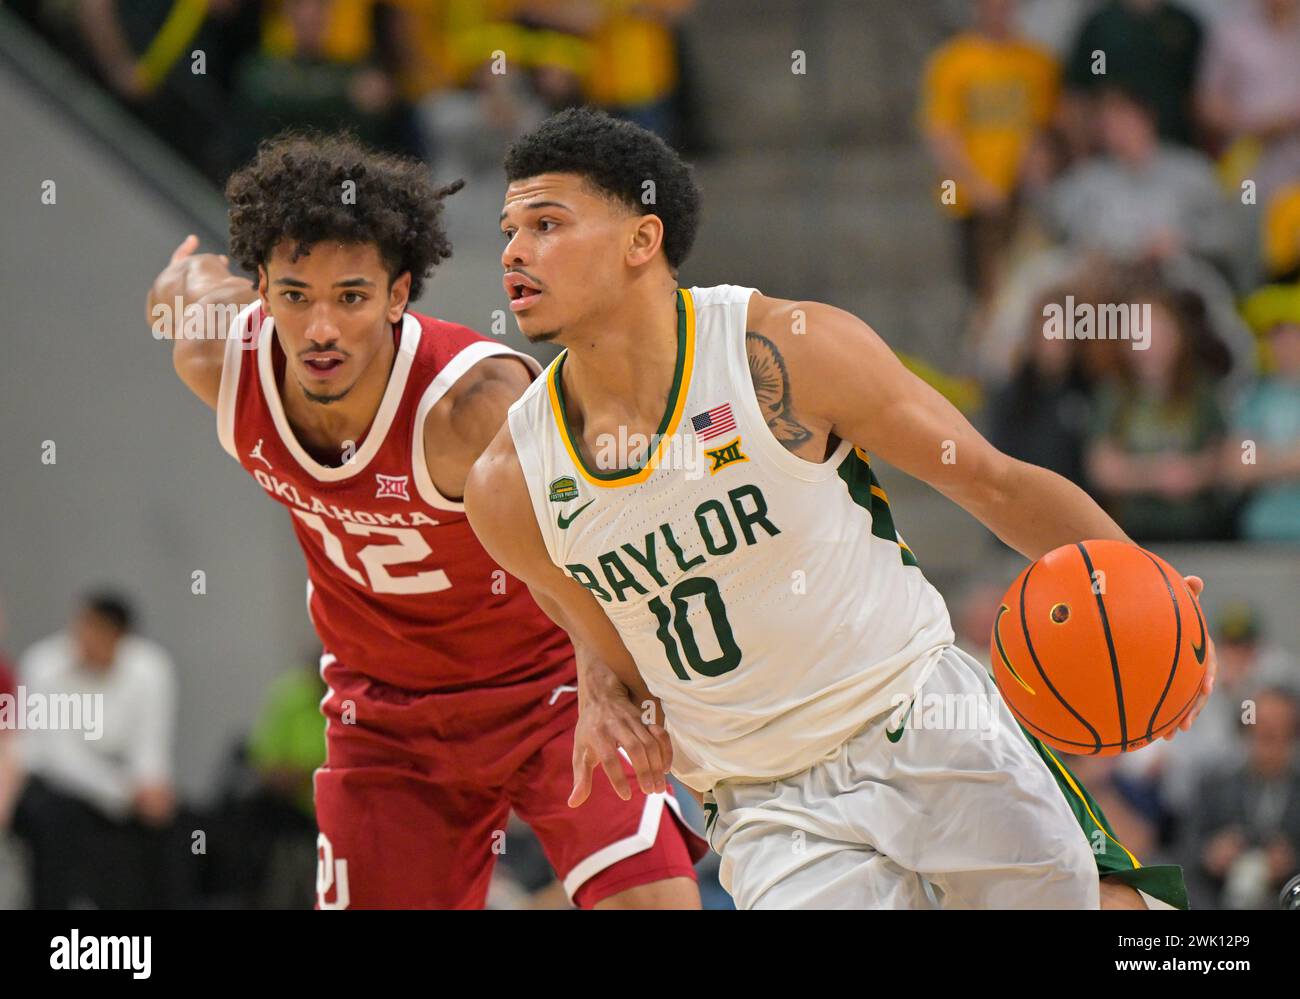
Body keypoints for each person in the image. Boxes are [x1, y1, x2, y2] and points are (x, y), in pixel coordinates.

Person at [466, 107, 1218, 910]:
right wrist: (599, 687)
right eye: (511, 227)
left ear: (641, 241)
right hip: (767, 801)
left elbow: (992, 482)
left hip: (920, 718)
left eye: (546, 223)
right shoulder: (509, 482)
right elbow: (597, 628)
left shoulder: (789, 351)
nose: (514, 249)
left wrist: (1151, 591)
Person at [147, 132, 705, 909]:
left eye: (352, 297)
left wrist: (613, 675)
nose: (321, 331)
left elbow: (605, 536)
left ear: (398, 295)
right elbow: (190, 291)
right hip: (386, 717)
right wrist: (180, 280)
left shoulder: (474, 406)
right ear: (264, 291)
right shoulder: (220, 362)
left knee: (655, 905)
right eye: (295, 296)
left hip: (544, 686)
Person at [13, 592, 178, 908]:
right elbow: (59, 756)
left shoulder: (151, 669)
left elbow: (151, 743)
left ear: (120, 637)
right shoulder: (44, 665)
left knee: (173, 827)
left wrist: (150, 787)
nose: (85, 640)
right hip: (53, 785)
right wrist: (124, 794)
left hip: (121, 782)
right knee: (55, 821)